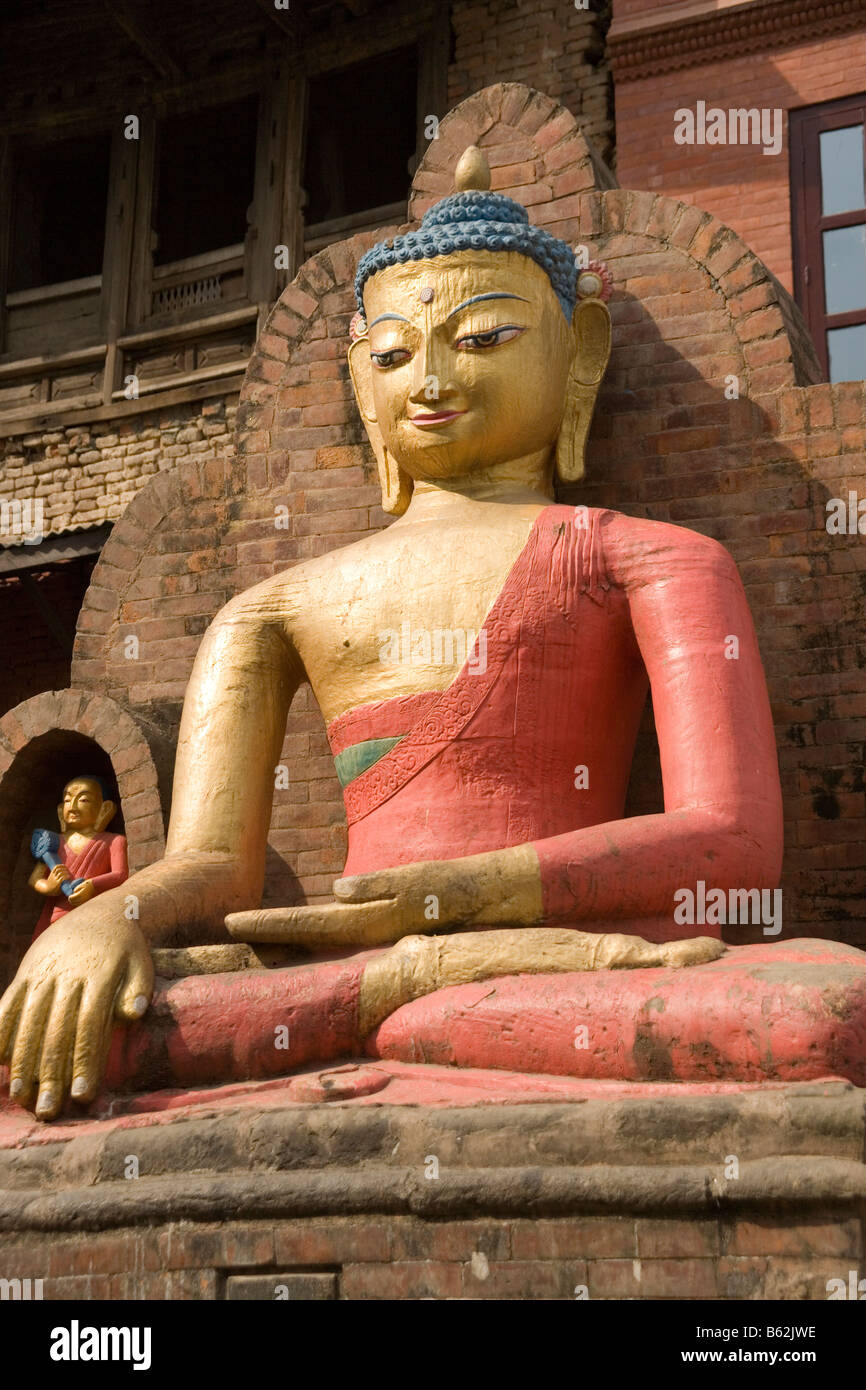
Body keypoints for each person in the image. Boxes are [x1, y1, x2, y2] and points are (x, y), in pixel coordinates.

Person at [0, 148, 781, 1120]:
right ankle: (405, 990)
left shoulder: (651, 557)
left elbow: (735, 844)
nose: (432, 376)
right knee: (52, 1027)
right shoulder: (271, 607)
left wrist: (455, 897)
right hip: (367, 959)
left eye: (485, 336)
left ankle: (402, 991)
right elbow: (214, 866)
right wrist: (102, 918)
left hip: (558, 953)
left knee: (814, 1010)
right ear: (360, 386)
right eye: (392, 353)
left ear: (577, 352)